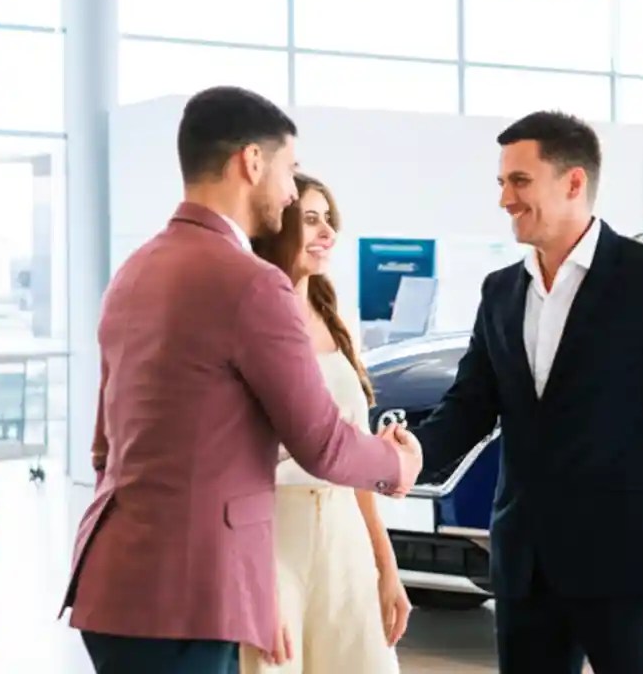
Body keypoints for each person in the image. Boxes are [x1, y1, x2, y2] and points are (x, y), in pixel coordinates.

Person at [59, 85, 423, 674]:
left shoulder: (134, 271)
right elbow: (323, 443)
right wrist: (397, 466)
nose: (286, 191)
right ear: (251, 162)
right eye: (288, 170)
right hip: (190, 599)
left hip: (112, 586)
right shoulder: (250, 281)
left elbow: (104, 445)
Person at [414, 110, 643, 674]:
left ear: (574, 182)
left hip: (627, 563)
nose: (505, 200)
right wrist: (403, 457)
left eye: (519, 181)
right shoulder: (501, 292)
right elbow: (469, 407)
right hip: (525, 566)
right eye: (501, 183)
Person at [241, 172, 407, 674]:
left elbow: (350, 451)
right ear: (280, 225)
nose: (328, 233)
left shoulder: (337, 316)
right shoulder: (247, 316)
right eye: (311, 220)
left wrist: (386, 564)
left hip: (344, 532)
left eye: (329, 221)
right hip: (272, 533)